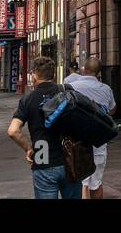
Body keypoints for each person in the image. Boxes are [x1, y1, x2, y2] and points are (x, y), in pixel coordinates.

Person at [7, 55, 79, 200]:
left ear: (34, 75)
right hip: (71, 158)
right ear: (53, 74)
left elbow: (13, 131)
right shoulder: (66, 91)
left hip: (43, 156)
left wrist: (29, 148)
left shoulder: (27, 99)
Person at [65, 58, 116, 200]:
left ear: (84, 70)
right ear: (99, 73)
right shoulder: (106, 89)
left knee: (81, 183)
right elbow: (112, 110)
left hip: (77, 144)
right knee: (97, 183)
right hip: (99, 144)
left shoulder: (71, 86)